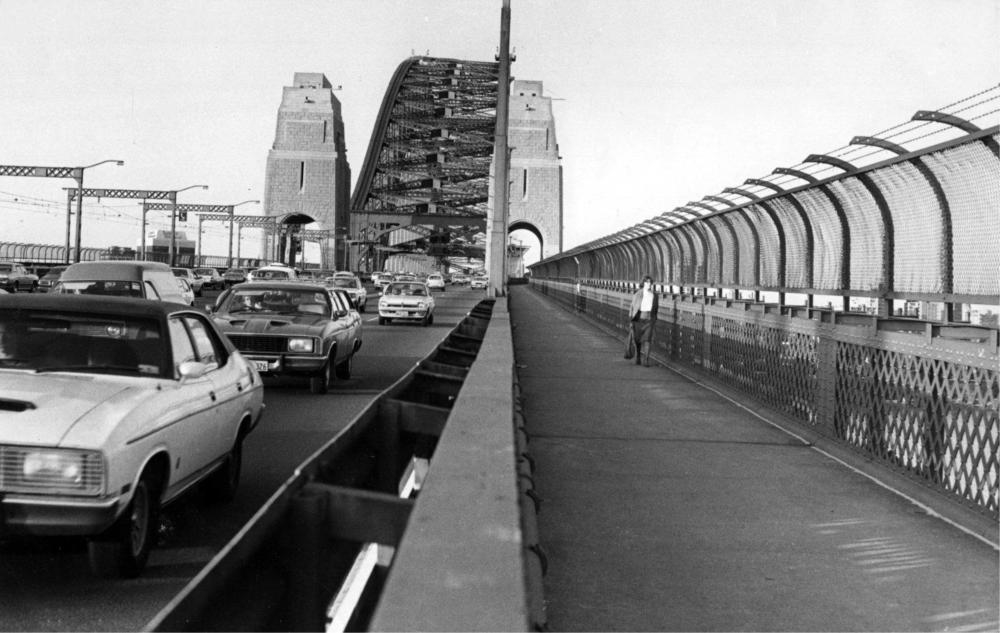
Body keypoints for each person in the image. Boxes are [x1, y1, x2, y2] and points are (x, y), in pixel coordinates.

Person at [628, 275, 659, 366]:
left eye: (650, 282)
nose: (649, 284)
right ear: (643, 283)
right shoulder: (638, 294)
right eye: (647, 282)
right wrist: (631, 320)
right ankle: (638, 356)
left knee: (648, 339)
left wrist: (654, 319)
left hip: (649, 319)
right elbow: (632, 307)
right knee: (637, 340)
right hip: (638, 319)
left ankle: (646, 359)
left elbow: (656, 308)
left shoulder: (655, 295)